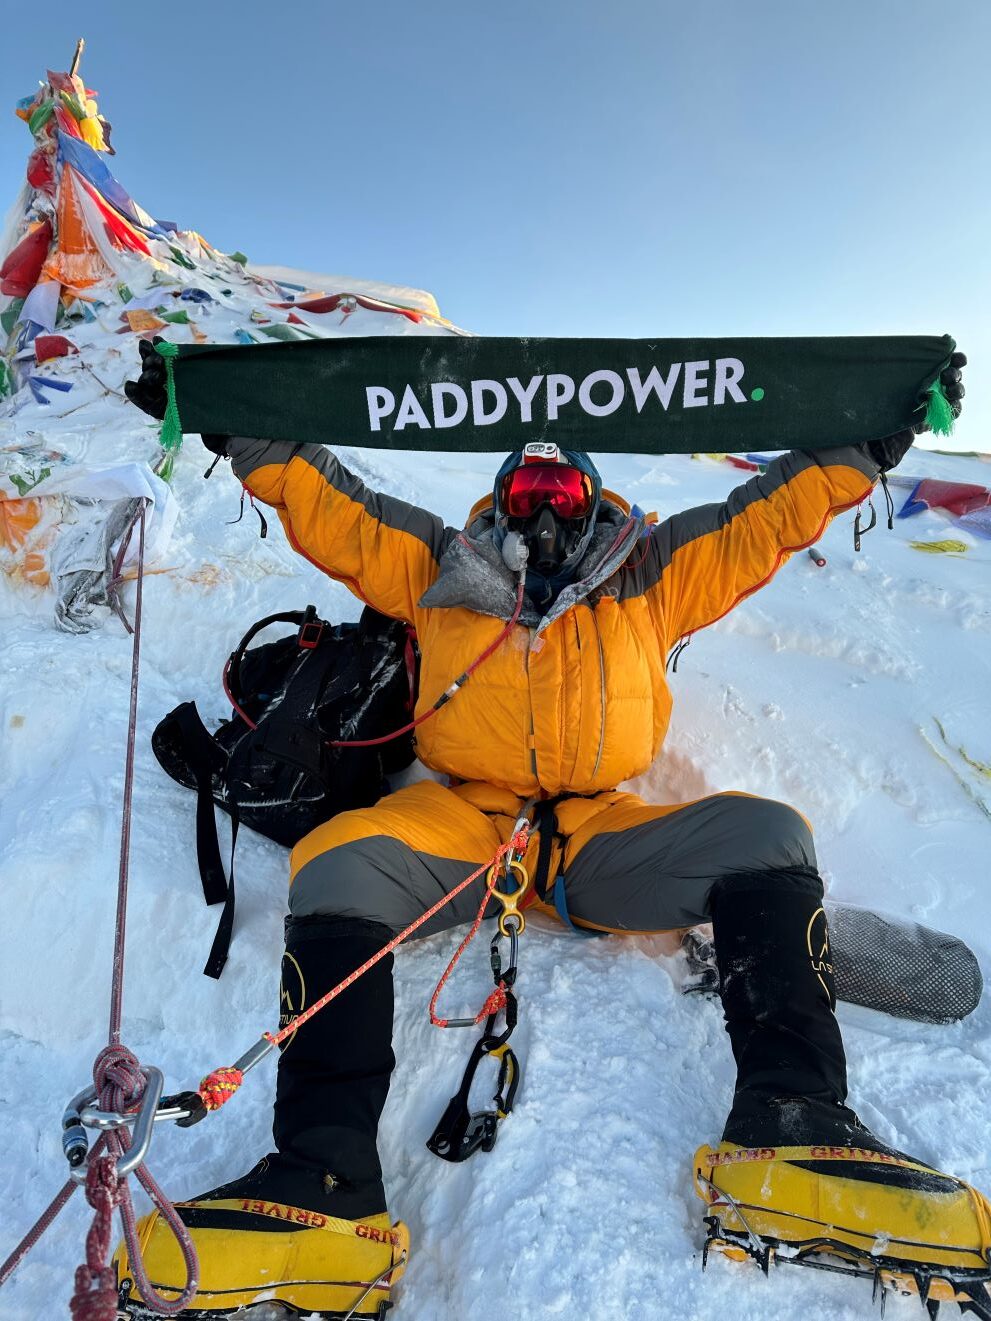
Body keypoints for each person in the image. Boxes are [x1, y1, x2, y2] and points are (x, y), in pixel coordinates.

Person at [117, 348, 989, 1319]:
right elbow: (331, 504)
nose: (542, 506)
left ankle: (797, 1121)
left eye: (559, 485)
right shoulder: (441, 564)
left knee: (767, 831)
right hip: (467, 817)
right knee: (339, 855)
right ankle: (323, 1187)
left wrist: (861, 440)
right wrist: (242, 424)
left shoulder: (652, 572)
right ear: (498, 497)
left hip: (595, 834)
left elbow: (765, 520)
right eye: (525, 485)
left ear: (593, 497)